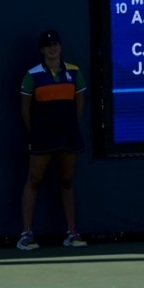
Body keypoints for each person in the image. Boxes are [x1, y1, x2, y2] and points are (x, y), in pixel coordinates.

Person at [17, 29, 88, 251]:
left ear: (60, 47)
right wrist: (37, 132)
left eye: (55, 44)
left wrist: (69, 126)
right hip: (42, 136)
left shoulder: (74, 72)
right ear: (42, 49)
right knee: (34, 180)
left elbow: (79, 106)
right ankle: (26, 234)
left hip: (68, 135)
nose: (52, 48)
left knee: (66, 181)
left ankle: (71, 232)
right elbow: (25, 110)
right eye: (48, 45)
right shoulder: (32, 76)